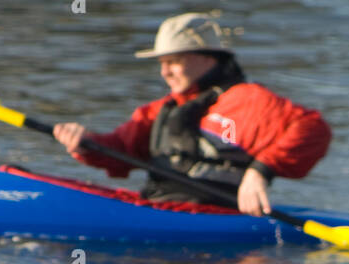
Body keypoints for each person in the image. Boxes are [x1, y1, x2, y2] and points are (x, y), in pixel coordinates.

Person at [51, 11, 331, 216]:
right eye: (161, 63)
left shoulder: (247, 101)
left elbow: (313, 129)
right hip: (162, 208)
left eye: (173, 61)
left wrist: (261, 171)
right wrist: (84, 142)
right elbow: (121, 150)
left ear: (208, 58)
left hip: (216, 215)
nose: (164, 72)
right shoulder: (161, 110)